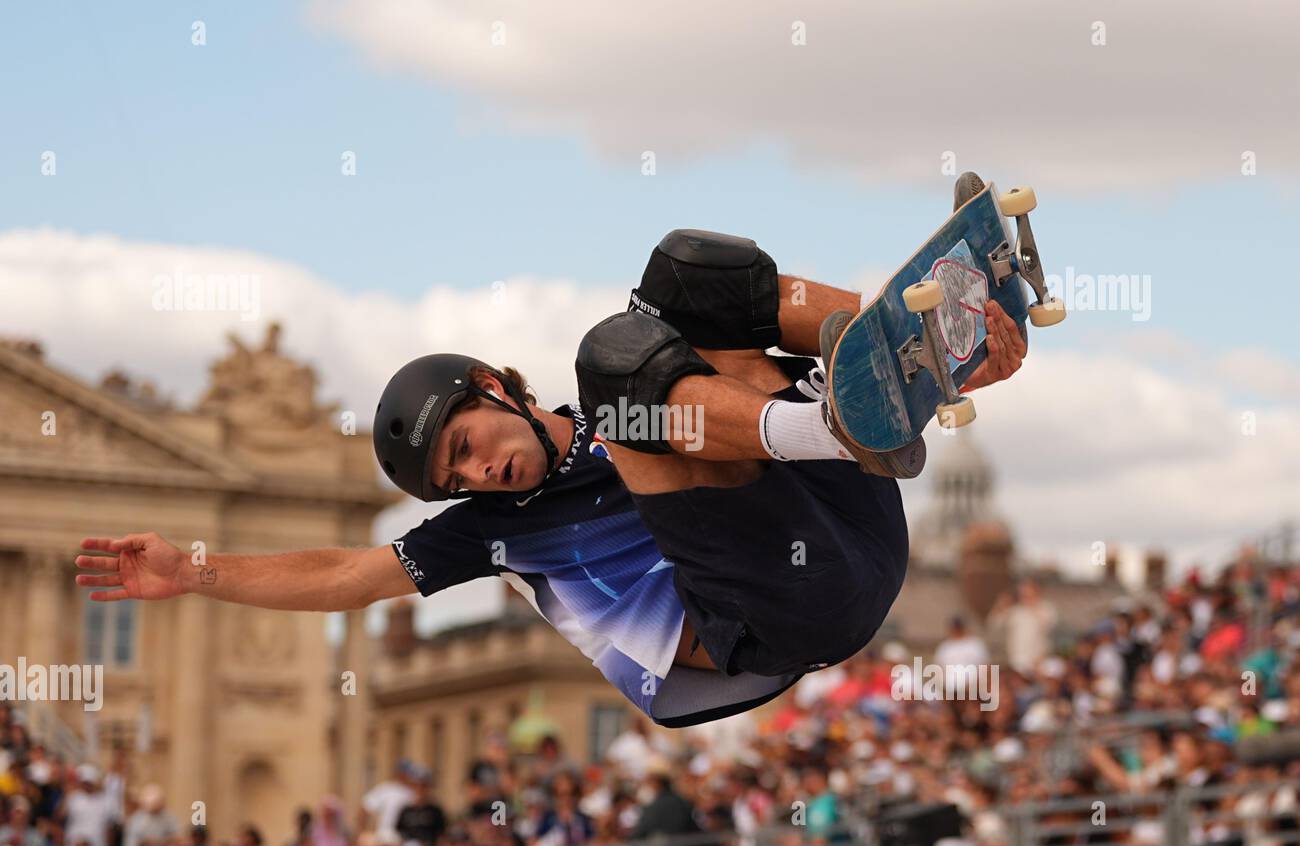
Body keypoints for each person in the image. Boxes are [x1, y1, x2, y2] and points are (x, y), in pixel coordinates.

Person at [73, 173, 1026, 728]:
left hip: (854, 521)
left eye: (467, 443)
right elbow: (344, 573)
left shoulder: (656, 381)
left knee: (678, 277)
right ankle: (841, 422)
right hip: (787, 613)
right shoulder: (498, 531)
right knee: (622, 372)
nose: (478, 472)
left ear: (497, 388)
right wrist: (193, 572)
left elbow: (715, 332)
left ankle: (924, 337)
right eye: (457, 477)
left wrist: (925, 352)